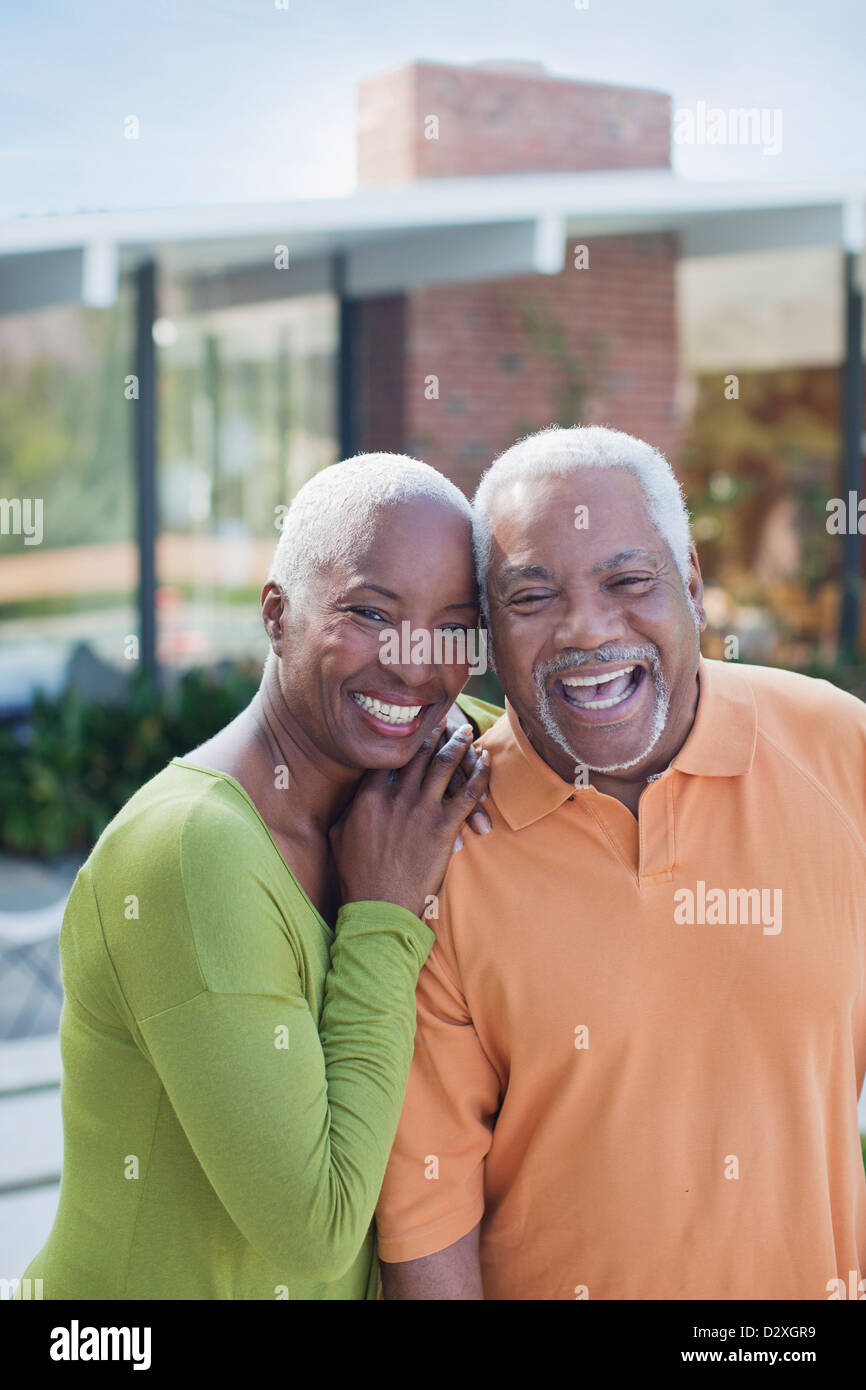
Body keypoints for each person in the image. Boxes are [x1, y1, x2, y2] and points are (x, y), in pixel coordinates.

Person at [376, 424, 866, 1300]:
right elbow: (428, 1213)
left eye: (628, 582)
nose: (588, 630)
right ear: (489, 632)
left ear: (692, 589)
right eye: (532, 597)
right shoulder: (437, 843)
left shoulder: (840, 748)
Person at [21, 453, 498, 1300]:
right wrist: (384, 912)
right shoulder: (192, 851)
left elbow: (582, 744)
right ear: (276, 614)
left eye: (453, 626)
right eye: (369, 613)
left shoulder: (416, 780)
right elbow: (312, 1235)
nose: (416, 664)